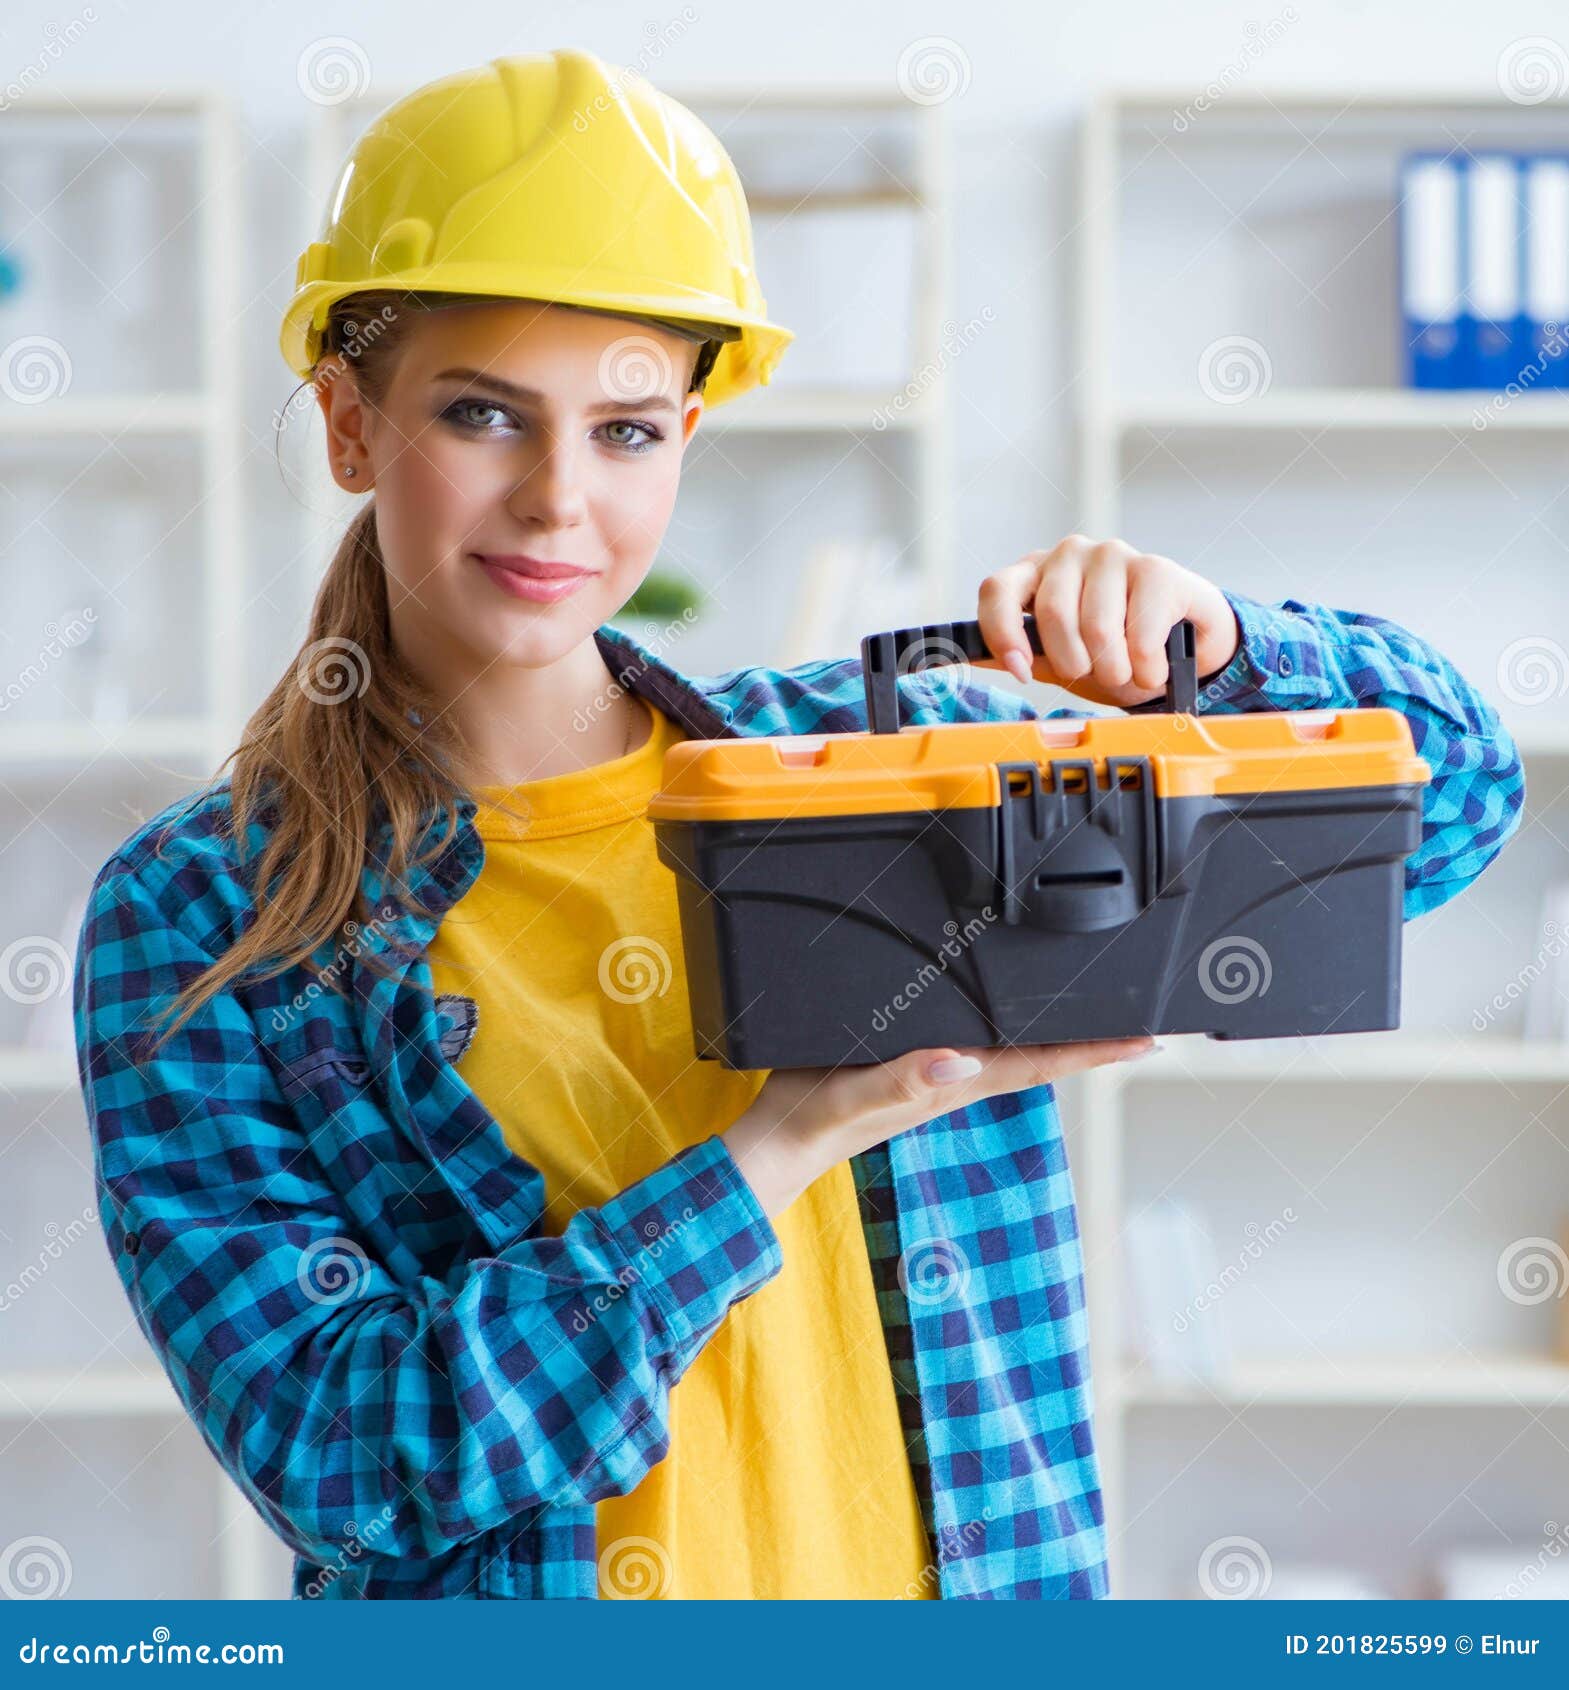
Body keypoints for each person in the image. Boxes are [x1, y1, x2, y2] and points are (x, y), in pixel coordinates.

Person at [73, 47, 1524, 1601]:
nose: (559, 497)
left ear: (687, 439)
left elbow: (1449, 804)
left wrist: (1226, 655)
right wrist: (780, 1143)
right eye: (483, 414)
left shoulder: (886, 770)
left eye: (626, 429)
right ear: (350, 425)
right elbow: (343, 1457)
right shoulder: (209, 910)